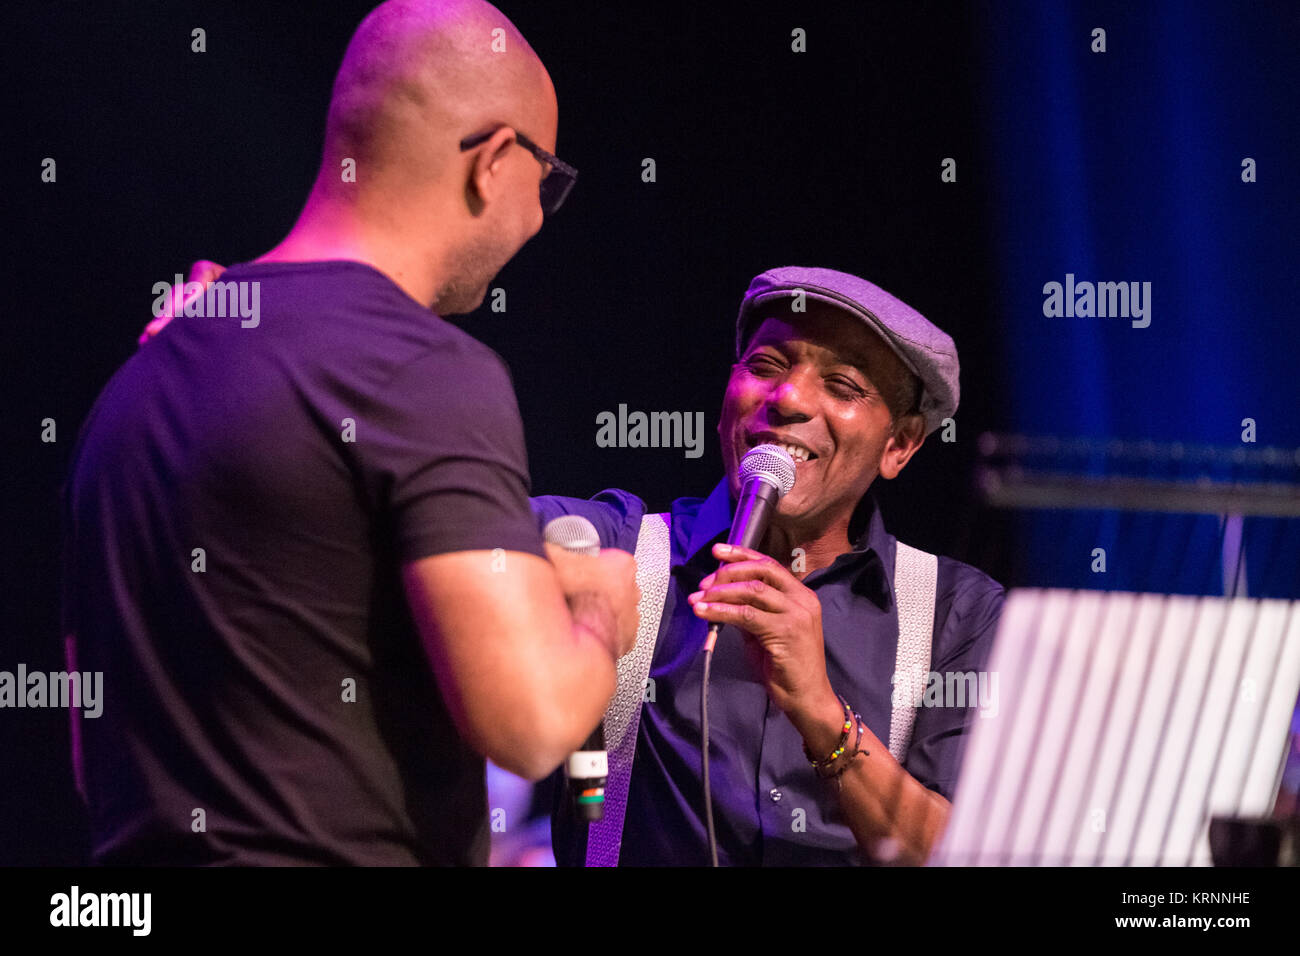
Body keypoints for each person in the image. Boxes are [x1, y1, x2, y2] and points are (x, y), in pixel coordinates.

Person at [61, 0, 639, 866]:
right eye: (547, 182)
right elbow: (531, 724)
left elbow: (86, 751)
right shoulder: (421, 369)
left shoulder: (134, 383)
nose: (538, 220)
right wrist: (601, 610)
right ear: (493, 162)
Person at [533, 266, 1006, 866]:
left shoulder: (956, 614)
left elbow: (962, 856)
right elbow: (460, 530)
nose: (789, 398)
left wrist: (820, 712)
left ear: (900, 445)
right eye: (765, 367)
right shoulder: (625, 549)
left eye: (842, 384)